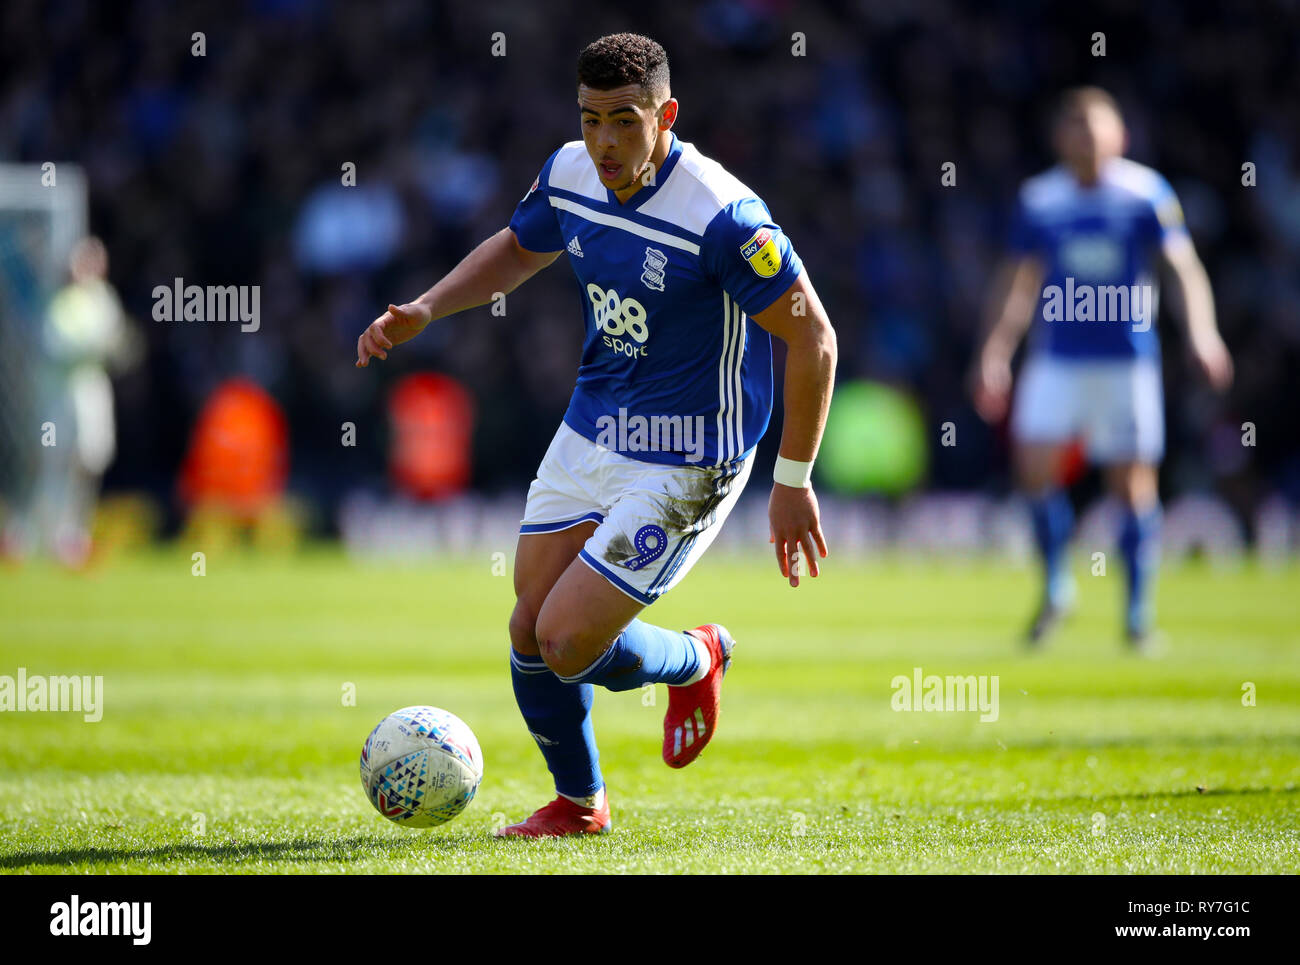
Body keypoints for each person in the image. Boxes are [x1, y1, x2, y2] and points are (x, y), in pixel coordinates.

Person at [356, 33, 837, 835]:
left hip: (691, 453)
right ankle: (580, 805)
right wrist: (429, 308)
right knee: (527, 627)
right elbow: (517, 249)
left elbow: (813, 336)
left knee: (566, 638)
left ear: (666, 115)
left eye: (624, 120)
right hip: (594, 426)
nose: (605, 141)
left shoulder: (722, 217)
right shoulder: (569, 172)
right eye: (590, 119)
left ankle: (696, 656)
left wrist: (793, 480)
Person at [971, 87, 1233, 650]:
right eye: (1074, 127)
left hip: (1126, 363)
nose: (1085, 138)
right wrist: (995, 352)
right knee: (1035, 469)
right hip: (1057, 360)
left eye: (1095, 127)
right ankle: (1058, 587)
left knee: (1131, 484)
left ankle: (1137, 617)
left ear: (1120, 135)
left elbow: (1182, 269)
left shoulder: (1145, 195)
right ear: (1059, 139)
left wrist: (1203, 334)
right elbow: (1018, 283)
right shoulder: (1041, 200)